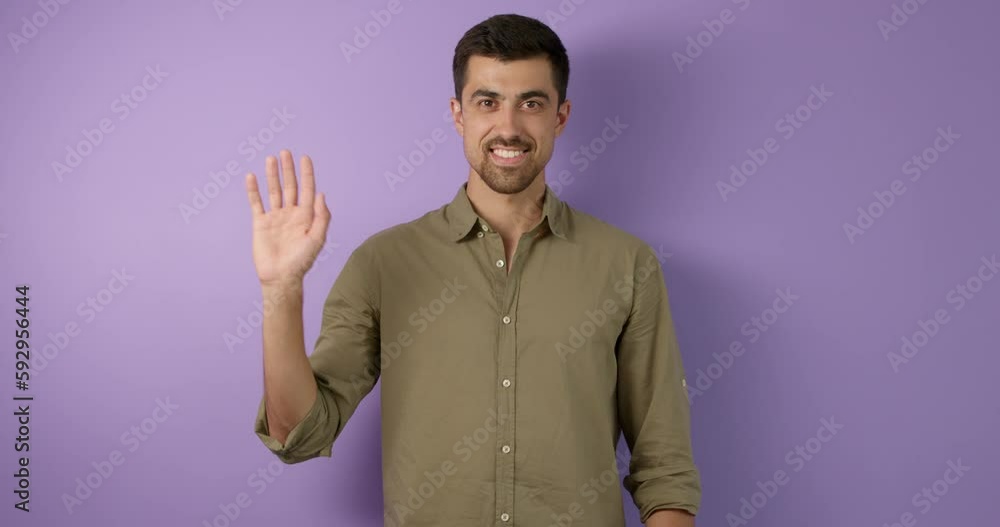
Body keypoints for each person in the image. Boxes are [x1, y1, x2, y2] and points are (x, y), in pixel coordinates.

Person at [244, 13, 700, 527]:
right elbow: (300, 434)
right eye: (488, 102)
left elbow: (664, 466)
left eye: (531, 103)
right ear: (458, 114)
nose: (508, 127)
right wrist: (281, 290)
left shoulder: (626, 264)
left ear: (561, 116)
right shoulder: (383, 263)